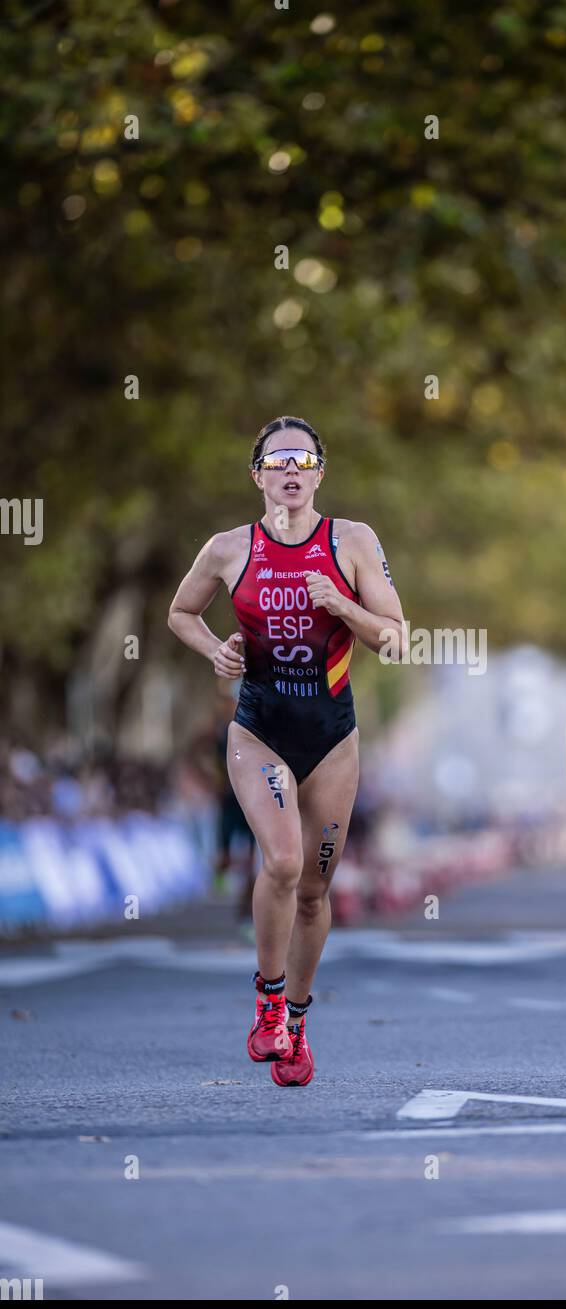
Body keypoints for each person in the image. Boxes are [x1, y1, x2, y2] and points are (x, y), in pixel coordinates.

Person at [168, 416, 405, 1086]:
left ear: (320, 473)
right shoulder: (227, 549)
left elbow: (396, 638)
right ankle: (267, 1002)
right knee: (283, 861)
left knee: (313, 891)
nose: (291, 470)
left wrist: (342, 605)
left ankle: (297, 1027)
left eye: (303, 459)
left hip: (332, 737)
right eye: (278, 461)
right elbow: (179, 613)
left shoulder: (352, 541)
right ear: (258, 476)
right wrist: (216, 648)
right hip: (260, 731)